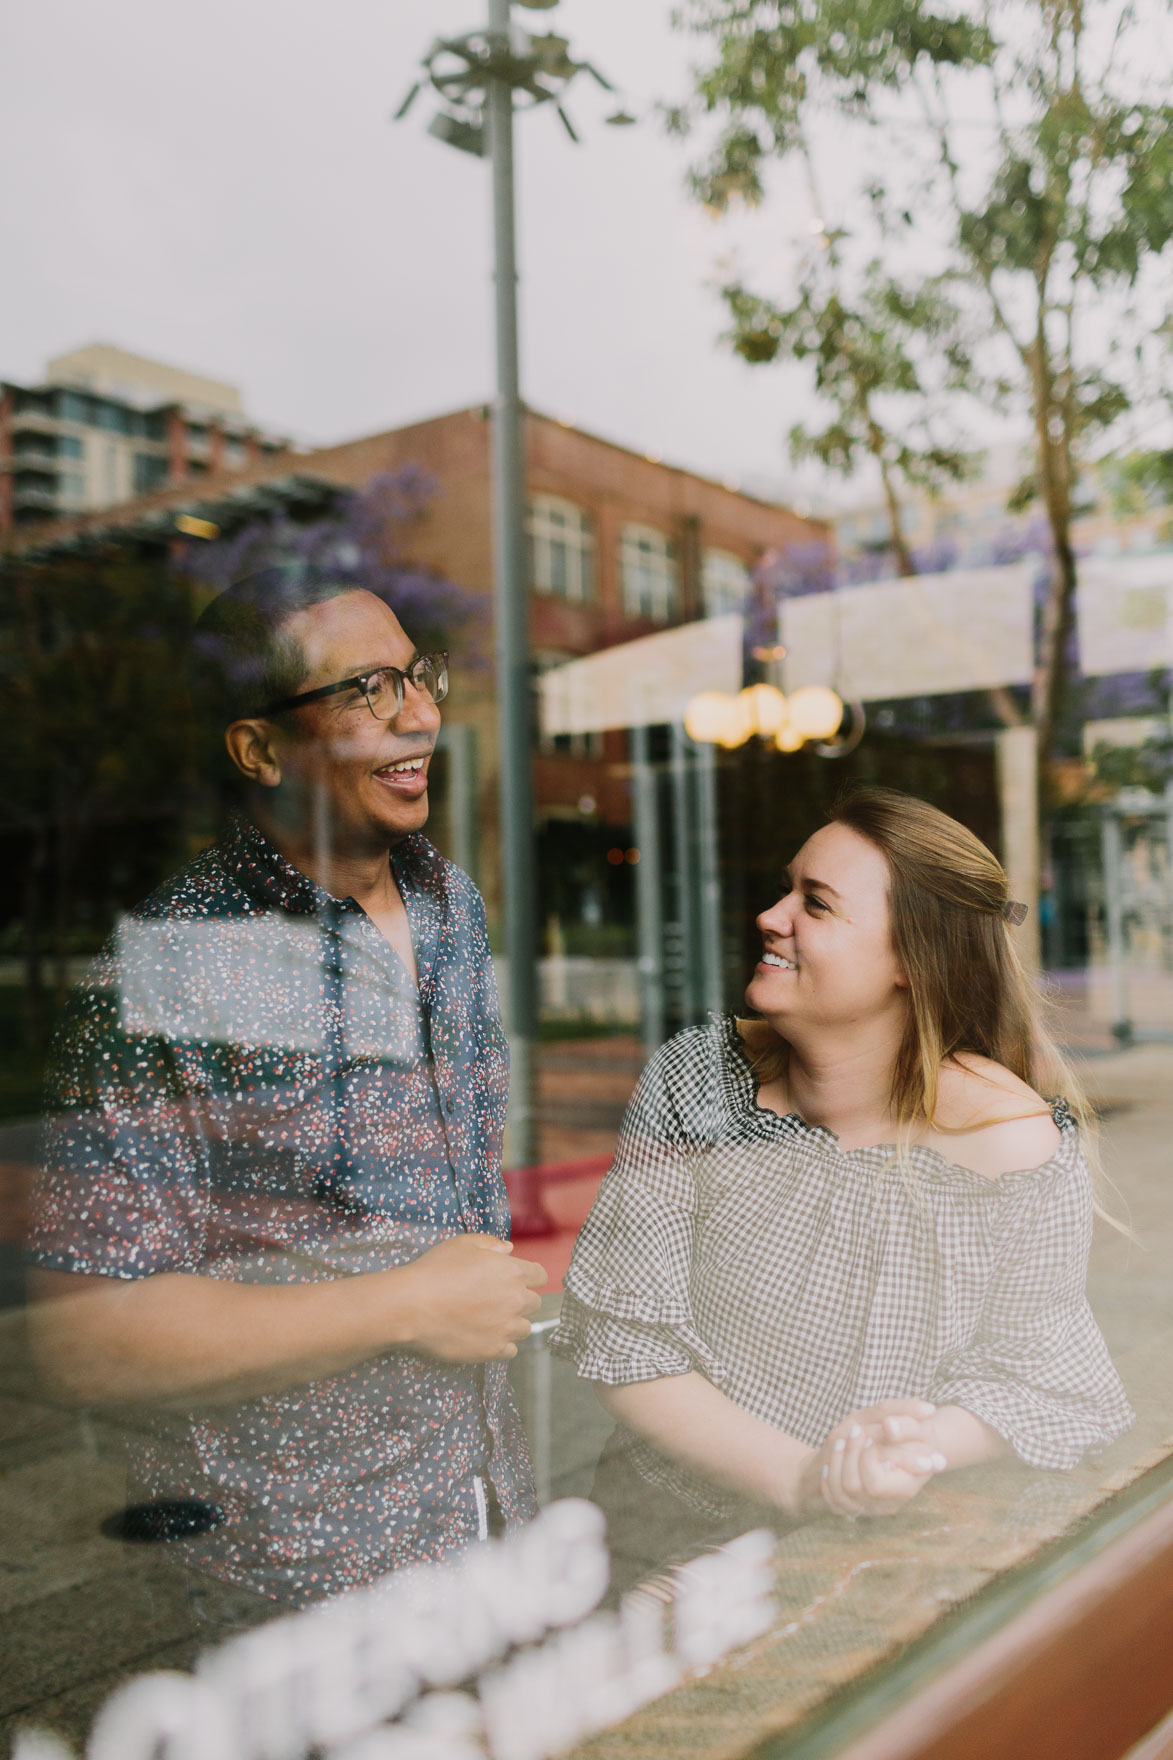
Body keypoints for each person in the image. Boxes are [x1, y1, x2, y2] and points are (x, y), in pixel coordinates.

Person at [25, 566, 546, 1610]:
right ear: (260, 748)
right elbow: (85, 1337)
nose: (421, 713)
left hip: (495, 1512)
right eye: (366, 690)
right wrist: (403, 1303)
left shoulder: (452, 901)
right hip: (301, 1580)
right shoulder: (171, 964)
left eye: (419, 675)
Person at [554, 786, 1134, 1593]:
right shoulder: (697, 1079)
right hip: (663, 1547)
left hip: (879, 1562)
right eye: (787, 887)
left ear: (910, 960)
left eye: (815, 904)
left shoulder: (1009, 1141)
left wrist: (899, 1449)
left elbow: (1036, 1380)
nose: (770, 914)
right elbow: (627, 1346)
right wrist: (807, 1476)